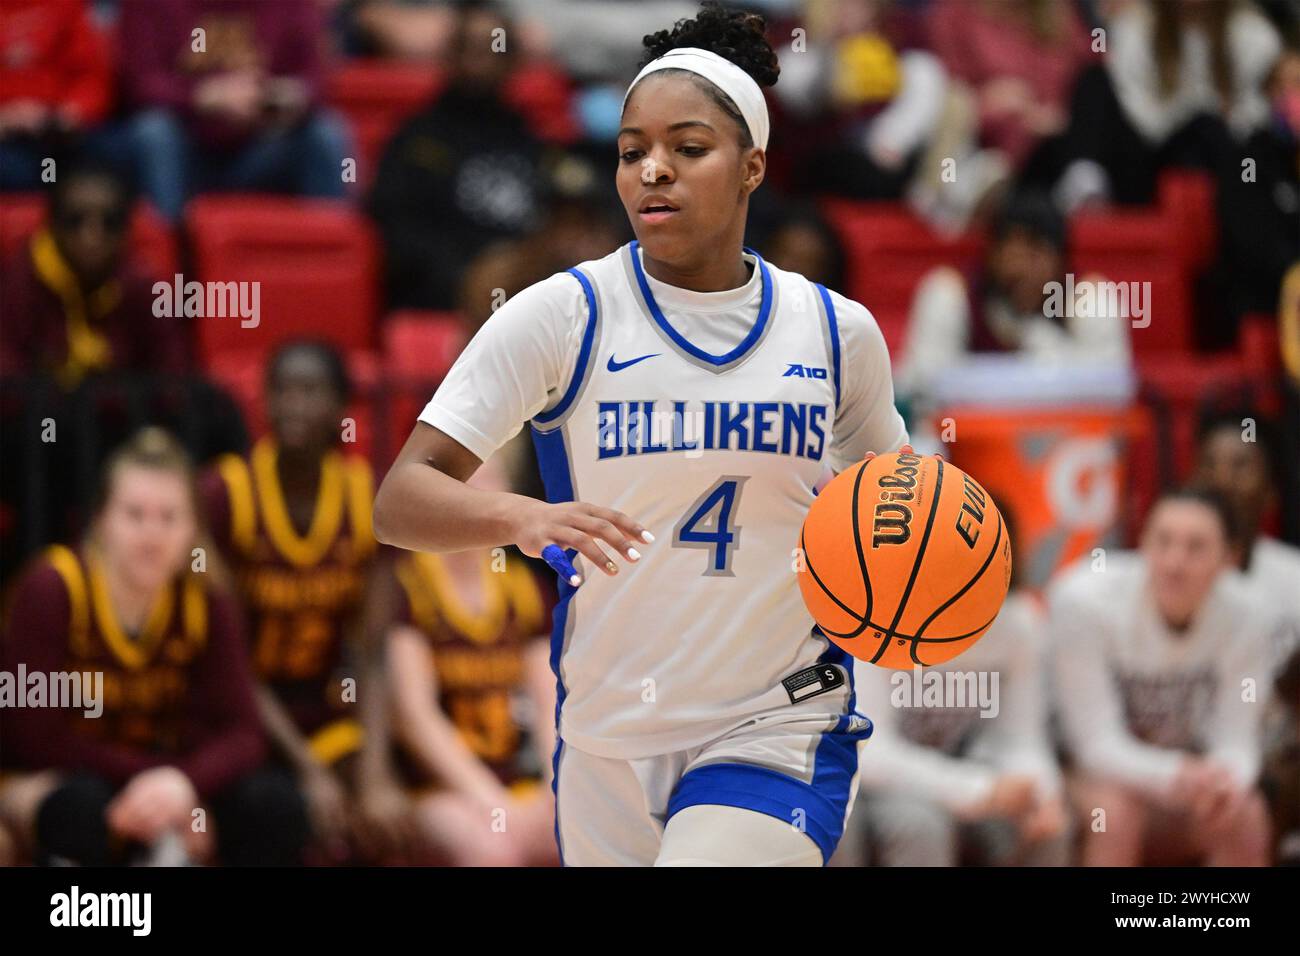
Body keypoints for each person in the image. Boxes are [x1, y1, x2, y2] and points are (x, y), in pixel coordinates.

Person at [373, 2, 910, 867]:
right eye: (632, 152)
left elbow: (899, 504)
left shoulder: (834, 332)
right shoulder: (563, 312)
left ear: (752, 167)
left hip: (777, 719)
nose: (653, 170)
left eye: (688, 149)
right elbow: (400, 501)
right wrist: (525, 519)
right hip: (607, 734)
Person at [0, 428, 299, 866]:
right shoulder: (53, 587)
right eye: (135, 514)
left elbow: (245, 733)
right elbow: (33, 737)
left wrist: (183, 785)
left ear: (193, 527)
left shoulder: (205, 598)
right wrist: (157, 783)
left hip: (167, 780)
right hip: (62, 779)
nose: (152, 532)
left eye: (169, 516)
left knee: (275, 806)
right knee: (79, 808)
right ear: (101, 519)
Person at [200, 341, 411, 864]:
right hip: (241, 713)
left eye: (310, 390)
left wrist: (376, 772)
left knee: (383, 818)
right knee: (277, 810)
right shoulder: (226, 492)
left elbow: (373, 651)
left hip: (323, 707)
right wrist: (308, 772)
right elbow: (230, 660)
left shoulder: (367, 495)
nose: (293, 404)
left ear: (341, 407)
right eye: (282, 390)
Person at [1049, 486, 1275, 866]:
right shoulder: (1083, 600)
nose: (1174, 562)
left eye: (1196, 547)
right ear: (1142, 543)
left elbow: (1237, 739)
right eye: (1163, 541)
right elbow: (1094, 743)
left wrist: (1226, 783)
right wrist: (1177, 776)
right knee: (1116, 813)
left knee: (1244, 812)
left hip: (1186, 780)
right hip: (1087, 774)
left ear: (1230, 558)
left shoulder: (1252, 616)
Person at [377, 441, 559, 865]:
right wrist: (490, 801)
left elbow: (549, 700)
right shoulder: (411, 585)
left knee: (581, 827)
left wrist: (557, 783)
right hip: (437, 791)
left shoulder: (524, 588)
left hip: (518, 782)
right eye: (464, 481)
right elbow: (415, 718)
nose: (478, 491)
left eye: (490, 478)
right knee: (492, 849)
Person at [844, 588, 1069, 867]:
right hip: (877, 782)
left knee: (1051, 824)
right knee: (920, 825)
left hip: (964, 767)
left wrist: (1042, 789)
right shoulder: (871, 621)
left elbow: (1020, 737)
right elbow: (868, 750)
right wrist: (981, 791)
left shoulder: (1018, 622)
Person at [369, 0, 545, 312]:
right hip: (443, 295)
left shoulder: (531, 139)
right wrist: (476, 273)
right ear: (449, 56)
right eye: (467, 47)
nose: (478, 60)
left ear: (512, 61)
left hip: (530, 295)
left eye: (492, 48)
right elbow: (396, 231)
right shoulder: (417, 140)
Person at [117, 0, 351, 222]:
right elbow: (138, 83)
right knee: (154, 132)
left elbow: (315, 79)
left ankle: (330, 253)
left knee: (325, 132)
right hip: (185, 146)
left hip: (261, 146)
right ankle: (171, 253)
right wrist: (204, 96)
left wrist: (281, 96)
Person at [0, 160, 188, 389]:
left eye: (110, 222)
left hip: (125, 420)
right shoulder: (22, 281)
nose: (92, 236)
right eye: (75, 220)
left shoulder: (141, 286)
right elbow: (7, 379)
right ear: (51, 225)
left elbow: (172, 375)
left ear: (128, 230)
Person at [1194, 409, 1300, 671]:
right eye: (1209, 464)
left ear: (1270, 493)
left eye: (1240, 466)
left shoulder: (1294, 579)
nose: (1221, 481)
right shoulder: (1162, 570)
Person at [0, 0, 112, 191]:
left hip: (57, 137)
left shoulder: (66, 6)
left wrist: (69, 113)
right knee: (22, 170)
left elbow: (92, 78)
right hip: (7, 142)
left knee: (86, 167)